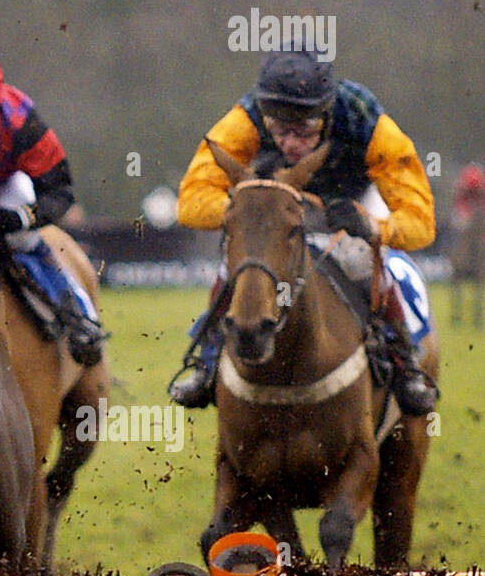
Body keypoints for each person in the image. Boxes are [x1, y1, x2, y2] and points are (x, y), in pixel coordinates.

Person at [167, 48, 438, 416]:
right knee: (239, 259)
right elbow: (192, 201)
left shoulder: (365, 119)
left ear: (326, 113)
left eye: (304, 129)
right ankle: (208, 359)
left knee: (364, 260)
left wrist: (375, 226)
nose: (290, 143)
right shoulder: (245, 119)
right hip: (277, 207)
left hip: (352, 203)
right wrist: (248, 214)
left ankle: (404, 361)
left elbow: (420, 222)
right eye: (279, 129)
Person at [0, 45, 106, 365]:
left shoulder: (22, 120)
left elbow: (60, 191)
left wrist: (20, 218)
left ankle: (78, 315)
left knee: (22, 237)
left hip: (2, 183)